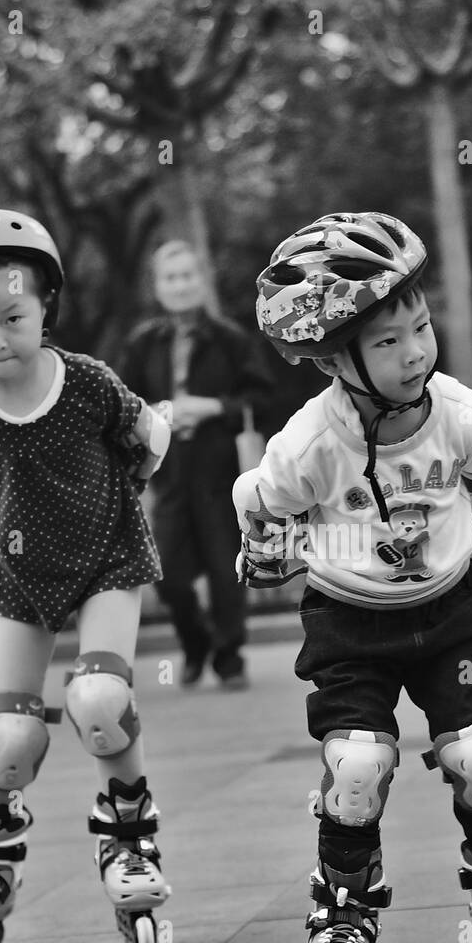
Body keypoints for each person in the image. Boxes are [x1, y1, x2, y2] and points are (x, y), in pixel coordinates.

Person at [233, 212, 472, 943]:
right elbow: (258, 497)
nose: (415, 351)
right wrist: (265, 551)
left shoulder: (455, 410)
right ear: (334, 358)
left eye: (420, 327)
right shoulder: (310, 440)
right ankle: (342, 909)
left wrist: (471, 501)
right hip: (349, 621)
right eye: (388, 342)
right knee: (357, 765)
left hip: (450, 609)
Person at [0, 208, 173, 943]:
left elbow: (145, 444)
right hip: (18, 582)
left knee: (96, 703)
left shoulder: (88, 384)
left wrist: (107, 507)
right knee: (11, 740)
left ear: (45, 306)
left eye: (13, 317)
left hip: (107, 564)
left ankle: (130, 845)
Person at [121, 240, 273, 689]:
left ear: (201, 282)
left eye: (188, 275)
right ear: (158, 287)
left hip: (220, 468)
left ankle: (229, 658)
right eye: (171, 277)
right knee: (167, 573)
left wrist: (211, 407)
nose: (181, 285)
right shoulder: (144, 341)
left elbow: (264, 399)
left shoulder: (231, 339)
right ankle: (195, 644)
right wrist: (160, 412)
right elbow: (122, 403)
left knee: (228, 570)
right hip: (167, 469)